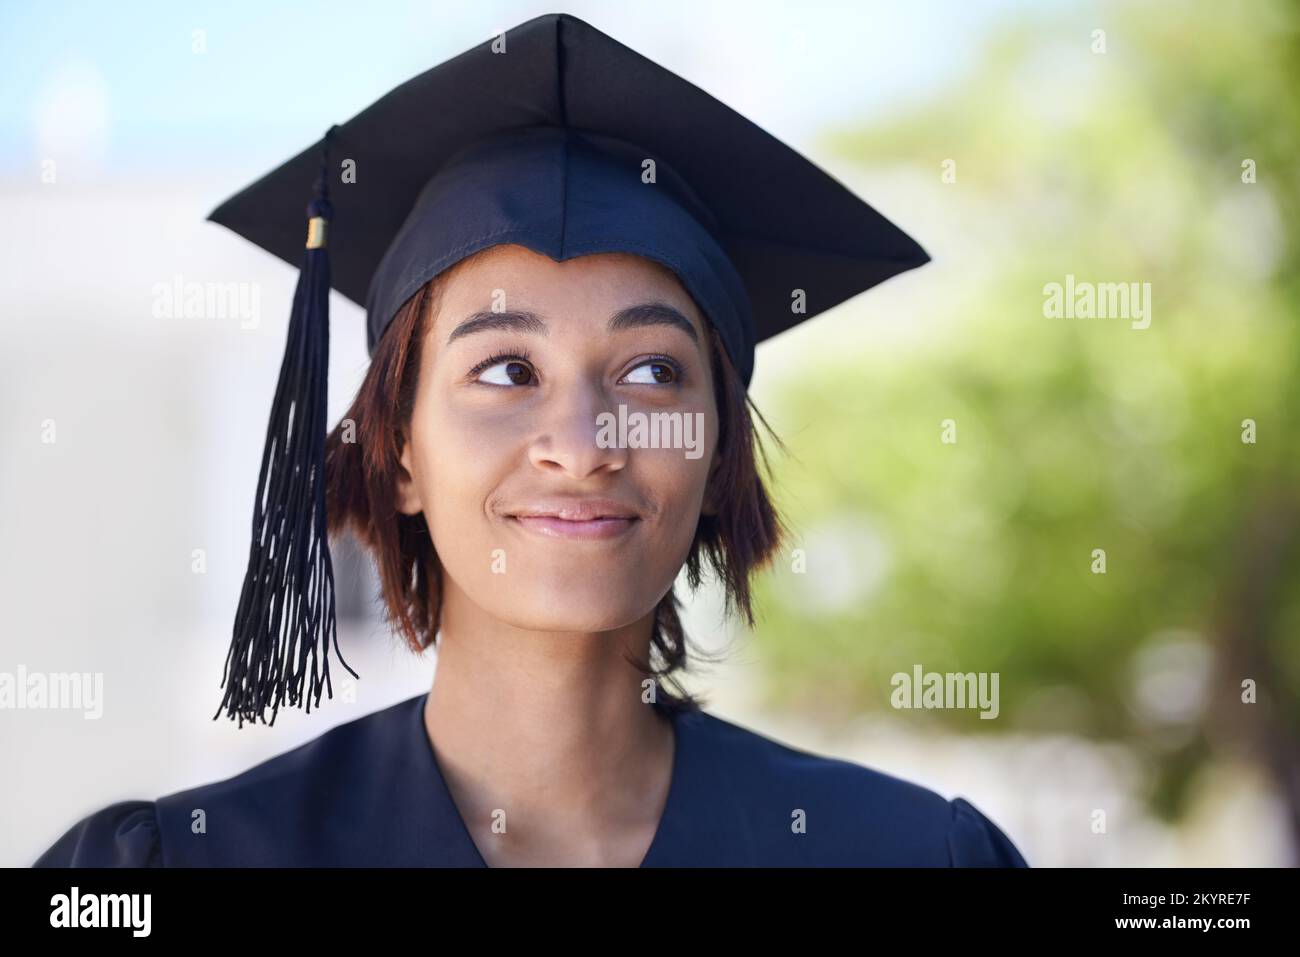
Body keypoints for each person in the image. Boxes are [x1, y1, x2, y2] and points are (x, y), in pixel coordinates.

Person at [34, 12, 1028, 867]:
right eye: (505, 371)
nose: (580, 442)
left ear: (719, 454)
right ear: (402, 452)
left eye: (652, 372)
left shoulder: (900, 854)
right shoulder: (188, 865)